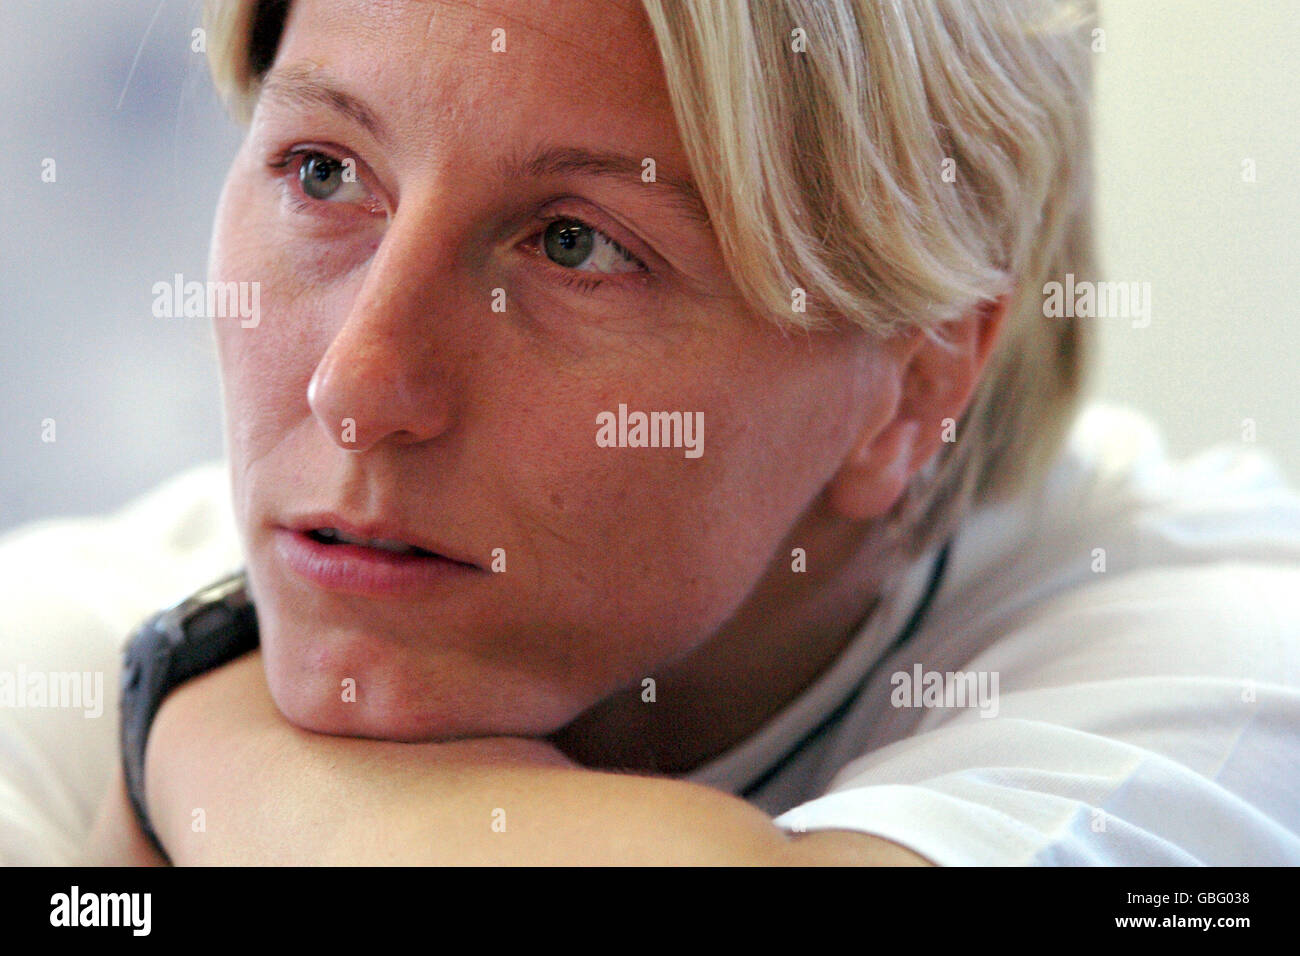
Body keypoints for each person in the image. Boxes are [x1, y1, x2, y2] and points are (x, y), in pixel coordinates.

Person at [30, 0, 1291, 864]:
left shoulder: (1224, 677)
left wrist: (193, 726)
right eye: (321, 171)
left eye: (576, 244)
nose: (357, 391)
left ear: (910, 387)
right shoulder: (44, 645)